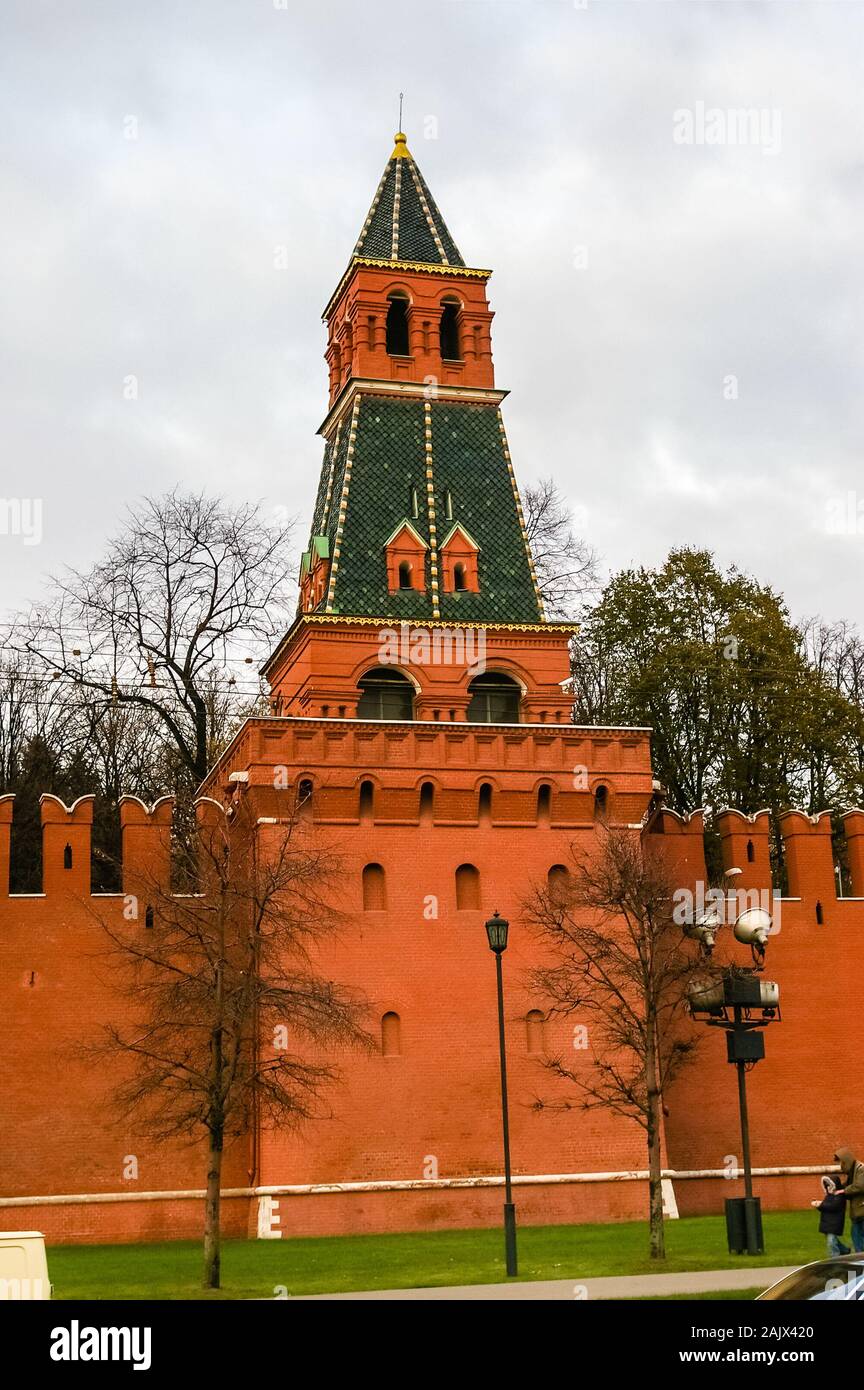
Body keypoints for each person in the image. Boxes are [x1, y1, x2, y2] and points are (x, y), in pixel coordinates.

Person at [811, 1175, 850, 1257]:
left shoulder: (839, 1196)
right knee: (833, 1240)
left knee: (831, 1242)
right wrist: (818, 1205)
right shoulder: (829, 1195)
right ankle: (844, 1250)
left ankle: (834, 1258)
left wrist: (820, 1205)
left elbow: (833, 1206)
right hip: (827, 1222)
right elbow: (826, 1206)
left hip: (835, 1222)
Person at [834, 1148, 864, 1253]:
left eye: (841, 1162)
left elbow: (859, 1186)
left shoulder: (861, 1169)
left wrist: (843, 1191)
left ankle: (858, 1266)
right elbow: (847, 1186)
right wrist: (836, 1188)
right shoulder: (852, 1173)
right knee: (857, 1243)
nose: (841, 1165)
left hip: (862, 1211)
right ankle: (857, 1266)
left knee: (860, 1242)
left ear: (846, 1160)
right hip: (857, 1213)